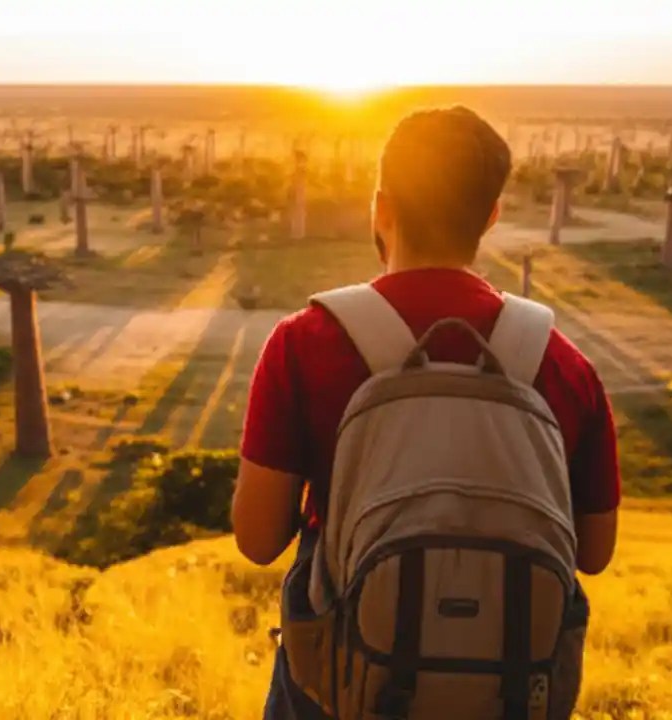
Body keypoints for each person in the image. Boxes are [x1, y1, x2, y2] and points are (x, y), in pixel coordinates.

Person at [232, 106, 620, 719]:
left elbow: (256, 541)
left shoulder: (304, 344)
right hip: (508, 689)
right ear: (491, 216)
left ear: (380, 207)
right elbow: (593, 553)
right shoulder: (563, 365)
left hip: (341, 687)